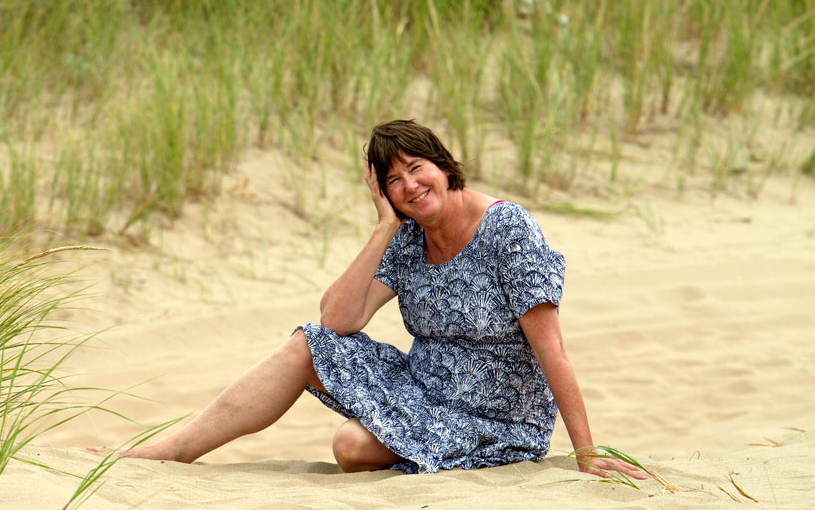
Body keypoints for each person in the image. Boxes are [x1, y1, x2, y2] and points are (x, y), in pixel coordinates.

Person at [122, 120, 647, 479]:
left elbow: (552, 348)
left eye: (417, 167)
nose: (412, 186)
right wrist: (383, 229)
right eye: (394, 182)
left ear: (442, 165)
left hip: (497, 419)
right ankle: (175, 450)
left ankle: (447, 457)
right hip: (422, 391)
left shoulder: (508, 229)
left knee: (350, 448)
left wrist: (585, 450)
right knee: (310, 343)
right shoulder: (407, 236)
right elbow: (338, 318)